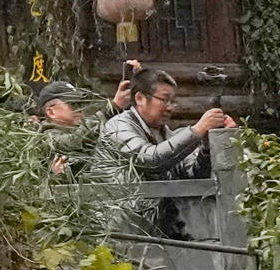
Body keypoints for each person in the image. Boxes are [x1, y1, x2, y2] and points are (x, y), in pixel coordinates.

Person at [98, 67, 233, 237]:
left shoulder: (166, 133)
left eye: (173, 101)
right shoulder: (117, 126)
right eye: (164, 100)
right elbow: (150, 160)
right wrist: (197, 130)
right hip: (123, 232)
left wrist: (206, 146)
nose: (170, 107)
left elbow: (194, 176)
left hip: (161, 232)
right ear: (140, 98)